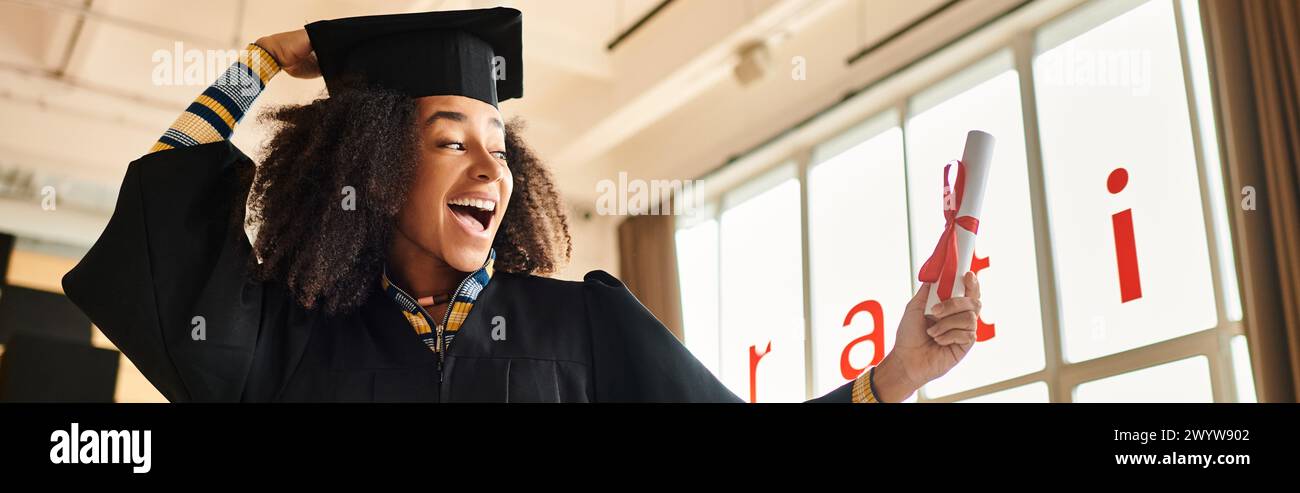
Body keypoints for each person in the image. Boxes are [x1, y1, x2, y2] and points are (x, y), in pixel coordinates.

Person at [62, 7, 983, 402]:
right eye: (453, 142)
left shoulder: (584, 325)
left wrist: (894, 375)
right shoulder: (289, 335)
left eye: (501, 151)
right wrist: (257, 61)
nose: (489, 172)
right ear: (374, 168)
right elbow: (166, 189)